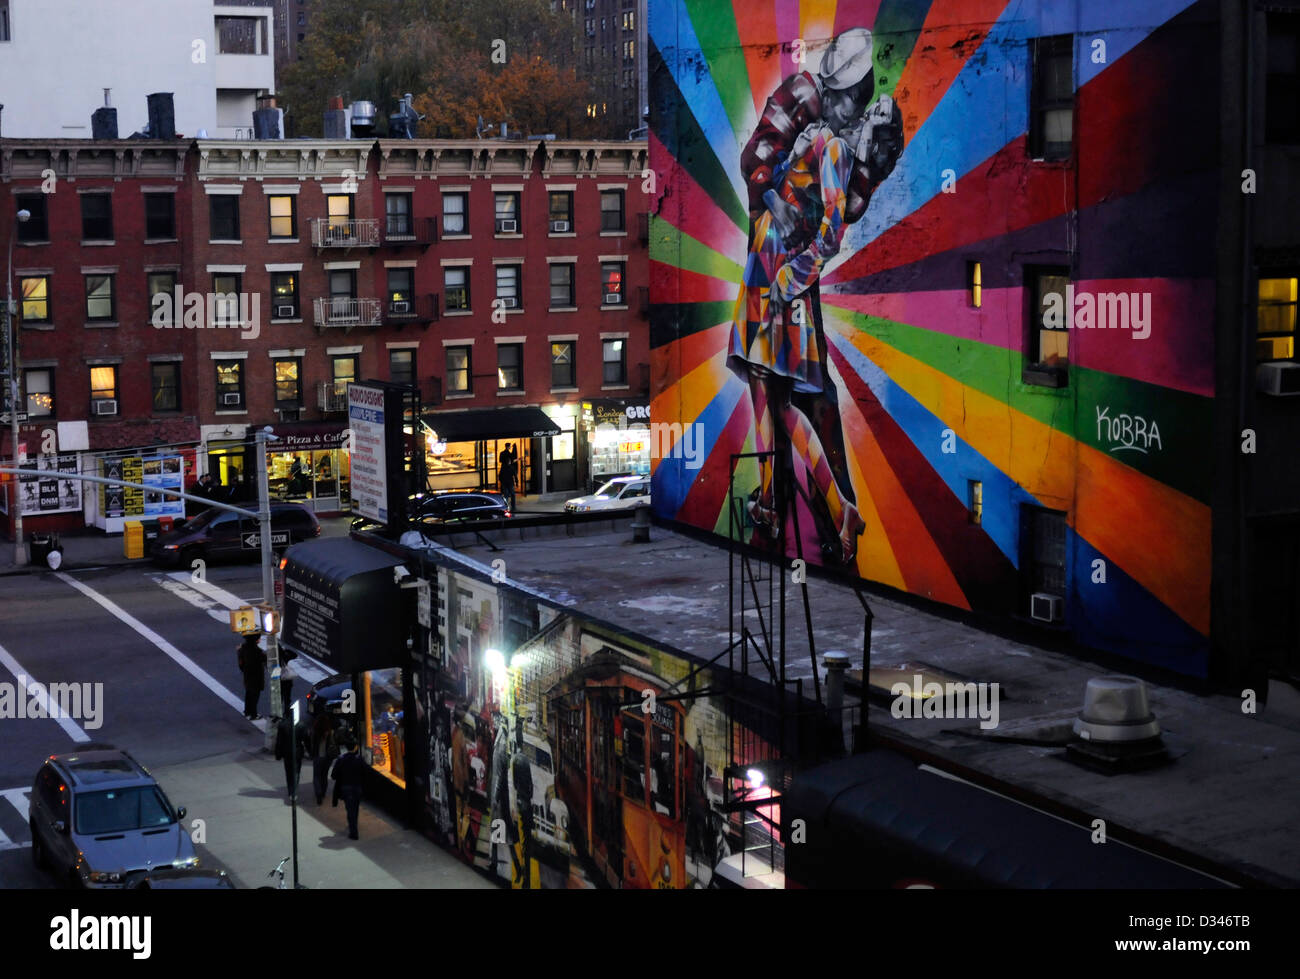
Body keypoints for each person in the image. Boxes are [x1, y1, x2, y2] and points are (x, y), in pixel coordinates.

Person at [730, 27, 902, 564]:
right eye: (860, 105)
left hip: (780, 267)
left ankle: (802, 502)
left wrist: (790, 266)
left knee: (777, 386)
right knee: (775, 388)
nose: (860, 112)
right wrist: (781, 207)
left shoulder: (836, 148)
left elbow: (833, 226)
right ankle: (796, 500)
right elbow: (754, 162)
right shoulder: (812, 113)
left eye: (867, 110)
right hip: (774, 257)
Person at [331, 737, 366, 839]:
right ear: (355, 747)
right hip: (357, 787)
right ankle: (353, 826)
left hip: (346, 788)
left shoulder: (341, 759)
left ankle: (353, 831)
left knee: (350, 809)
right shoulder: (359, 759)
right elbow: (365, 773)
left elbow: (333, 775)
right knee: (355, 808)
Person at [274, 711, 310, 800]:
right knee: (296, 771)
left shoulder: (282, 725)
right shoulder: (301, 725)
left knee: (288, 772)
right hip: (298, 751)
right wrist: (310, 751)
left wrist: (278, 754)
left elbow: (279, 741)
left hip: (286, 752)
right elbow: (307, 740)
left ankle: (290, 790)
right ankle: (293, 791)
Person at [310, 711, 340, 805]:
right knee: (324, 776)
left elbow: (311, 743)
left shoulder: (314, 732)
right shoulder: (330, 732)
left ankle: (318, 793)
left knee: (316, 776)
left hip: (317, 757)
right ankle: (323, 793)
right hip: (327, 758)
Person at [236, 635, 265, 720]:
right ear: (255, 640)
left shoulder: (242, 649)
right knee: (255, 695)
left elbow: (240, 663)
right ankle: (254, 714)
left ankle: (247, 711)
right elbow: (265, 659)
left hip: (247, 674)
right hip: (256, 676)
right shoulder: (257, 651)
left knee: (248, 693)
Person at [499, 445, 518, 513]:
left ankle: (506, 508)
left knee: (506, 495)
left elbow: (500, 476)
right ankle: (513, 507)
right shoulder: (512, 468)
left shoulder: (501, 453)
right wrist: (517, 482)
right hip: (510, 482)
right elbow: (515, 475)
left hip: (504, 482)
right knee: (512, 494)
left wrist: (501, 482)